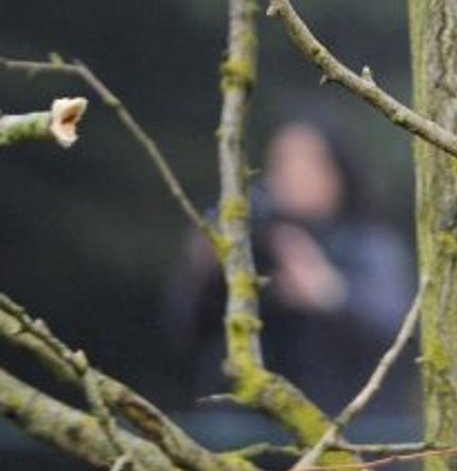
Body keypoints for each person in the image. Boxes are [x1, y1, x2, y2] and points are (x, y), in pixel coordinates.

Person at [167, 114, 417, 419]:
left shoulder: (368, 243)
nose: (296, 175)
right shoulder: (251, 237)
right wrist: (207, 268)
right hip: (245, 430)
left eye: (312, 163)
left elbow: (396, 325)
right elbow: (187, 329)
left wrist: (328, 293)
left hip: (348, 428)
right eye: (284, 162)